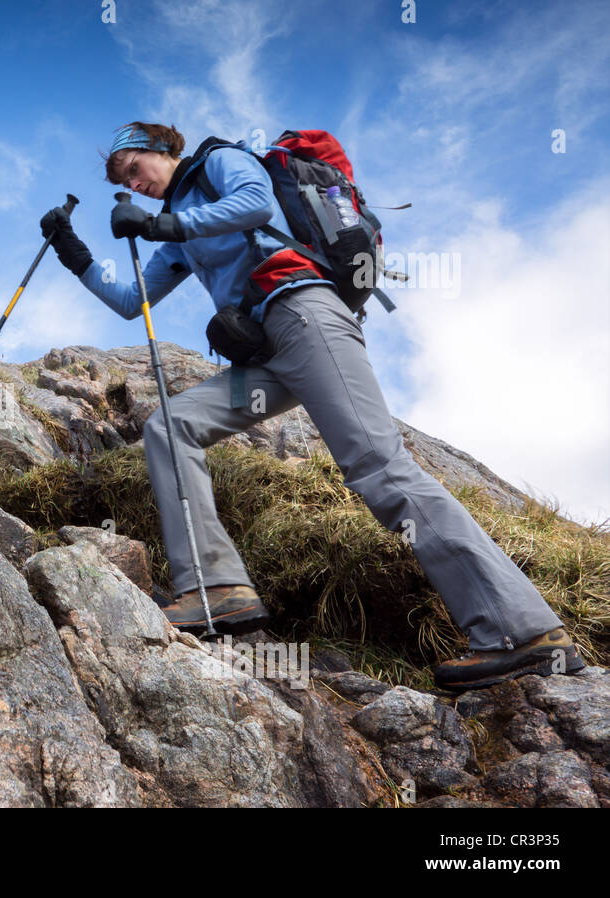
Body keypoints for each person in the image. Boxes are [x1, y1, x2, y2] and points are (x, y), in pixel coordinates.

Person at [38, 121, 585, 691]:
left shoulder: (219, 161)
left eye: (134, 168)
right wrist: (72, 251)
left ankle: (521, 632)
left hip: (305, 314)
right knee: (171, 427)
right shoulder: (179, 234)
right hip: (267, 348)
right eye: (123, 182)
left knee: (379, 468)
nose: (134, 183)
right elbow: (133, 300)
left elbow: (253, 204)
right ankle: (214, 589)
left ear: (162, 149)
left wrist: (162, 222)